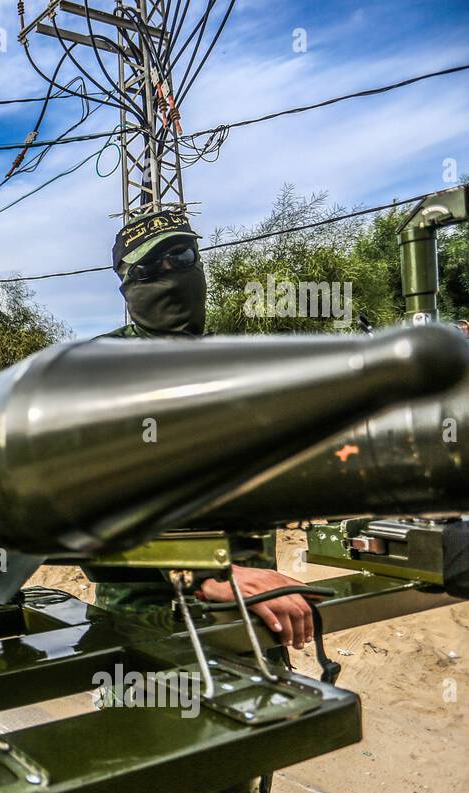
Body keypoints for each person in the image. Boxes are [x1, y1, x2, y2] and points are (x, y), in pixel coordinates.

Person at [88, 209, 317, 649]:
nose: (170, 273)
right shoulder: (100, 369)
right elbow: (90, 502)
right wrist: (206, 576)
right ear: (128, 287)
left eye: (183, 255)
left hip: (251, 618)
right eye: (151, 268)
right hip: (146, 630)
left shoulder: (232, 367)